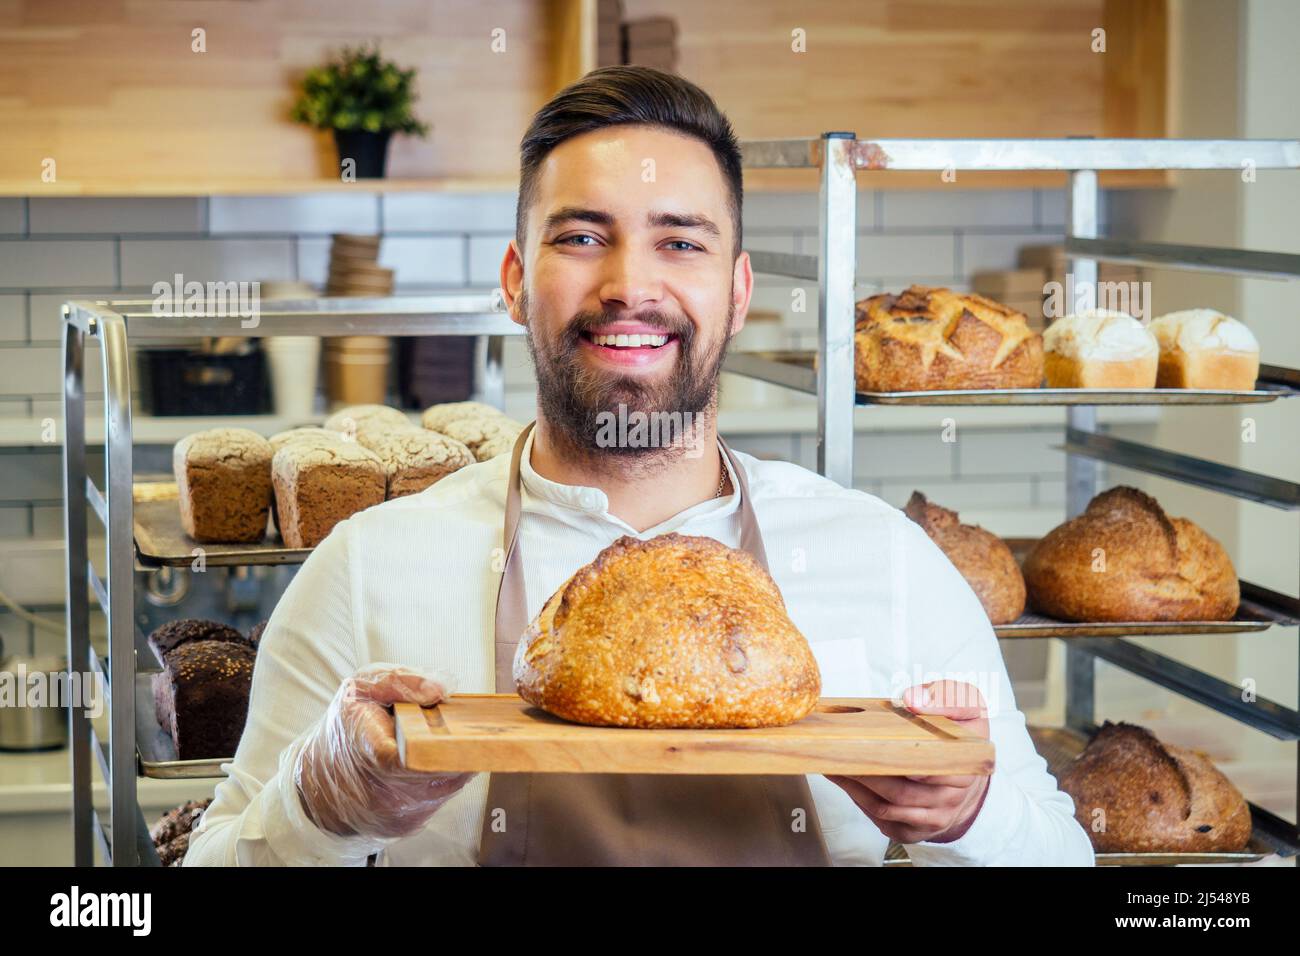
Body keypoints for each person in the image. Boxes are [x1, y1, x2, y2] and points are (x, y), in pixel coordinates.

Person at [186, 66, 1094, 866]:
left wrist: (970, 817)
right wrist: (321, 810)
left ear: (737, 292)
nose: (630, 283)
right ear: (513, 280)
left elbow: (1059, 855)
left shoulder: (882, 557)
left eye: (681, 241)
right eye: (581, 237)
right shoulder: (369, 567)